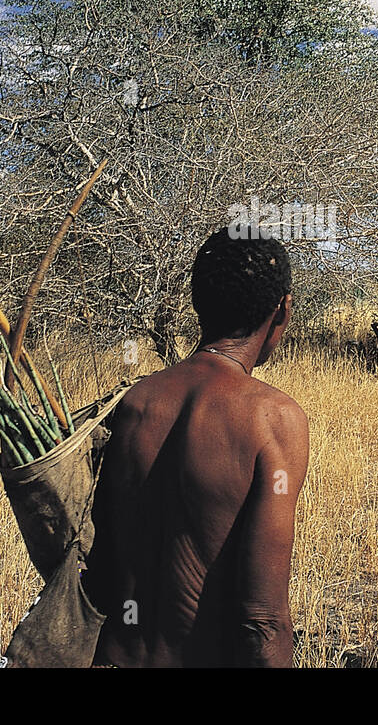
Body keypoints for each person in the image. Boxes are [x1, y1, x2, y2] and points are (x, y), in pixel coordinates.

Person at [83, 227, 310, 667]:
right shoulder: (273, 418)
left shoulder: (134, 402)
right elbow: (263, 620)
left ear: (196, 302)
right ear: (282, 311)